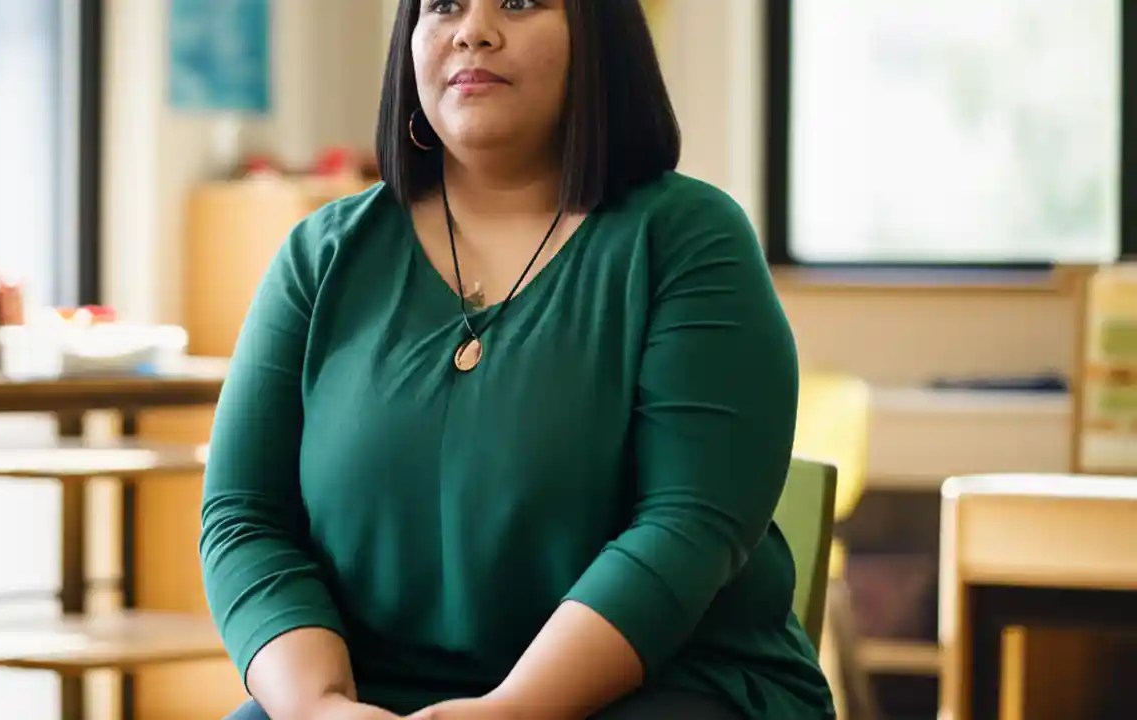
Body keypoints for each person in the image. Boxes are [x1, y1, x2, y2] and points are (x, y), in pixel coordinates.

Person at [201, 1, 833, 718]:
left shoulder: (689, 239)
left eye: (520, 1)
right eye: (443, 5)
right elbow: (244, 515)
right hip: (374, 694)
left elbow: (687, 524)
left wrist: (511, 710)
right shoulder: (322, 254)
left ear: (598, 35)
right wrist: (317, 705)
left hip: (666, 685)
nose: (473, 29)